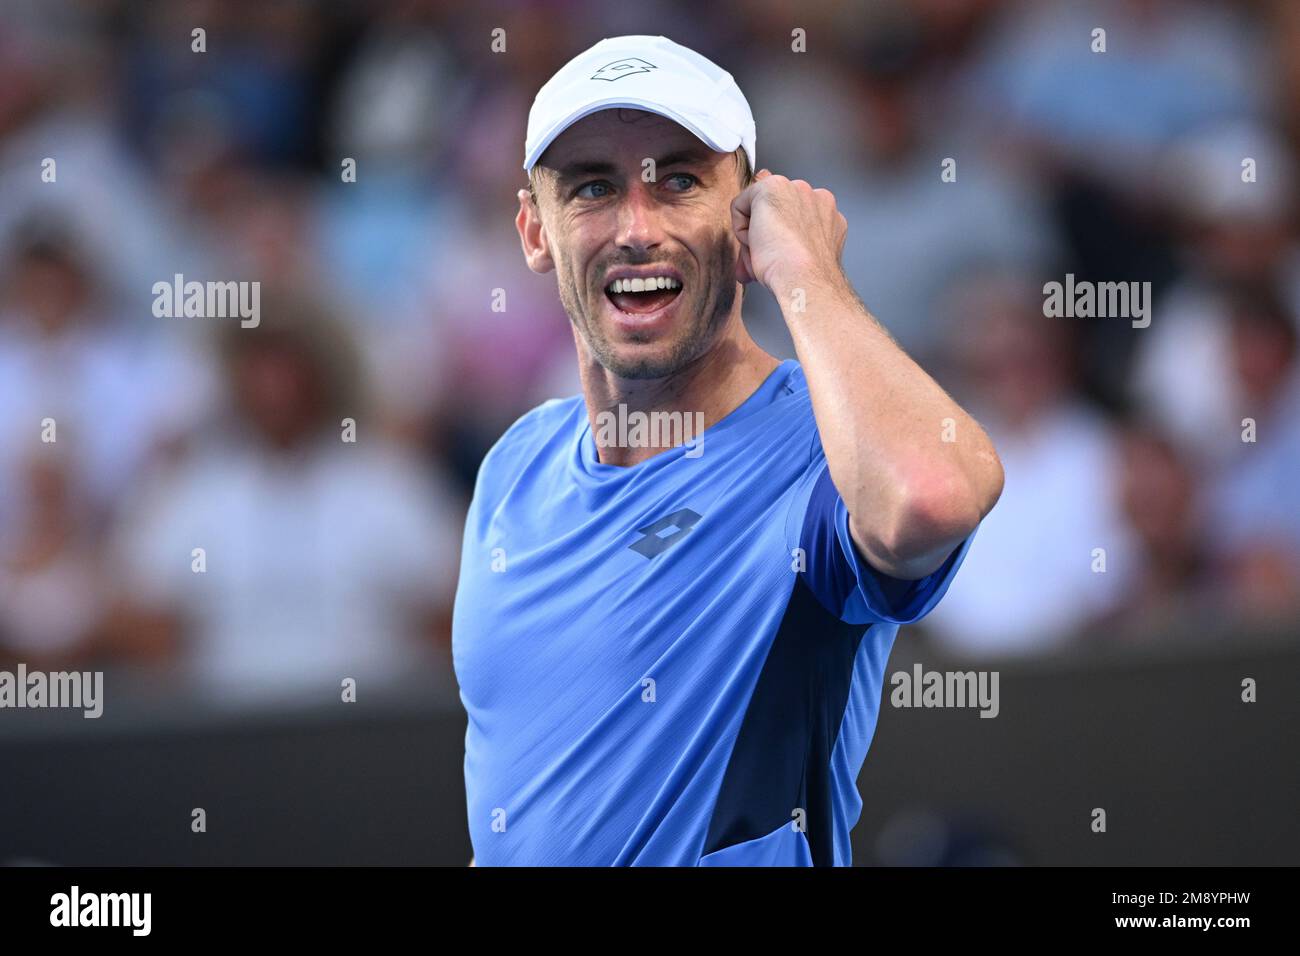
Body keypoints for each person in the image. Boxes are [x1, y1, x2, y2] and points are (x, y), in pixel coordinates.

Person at [452, 35, 1003, 866]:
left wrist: (806, 270)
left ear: (747, 210)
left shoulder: (824, 451)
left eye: (679, 181)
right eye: (593, 187)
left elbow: (933, 495)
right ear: (535, 231)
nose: (637, 229)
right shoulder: (513, 466)